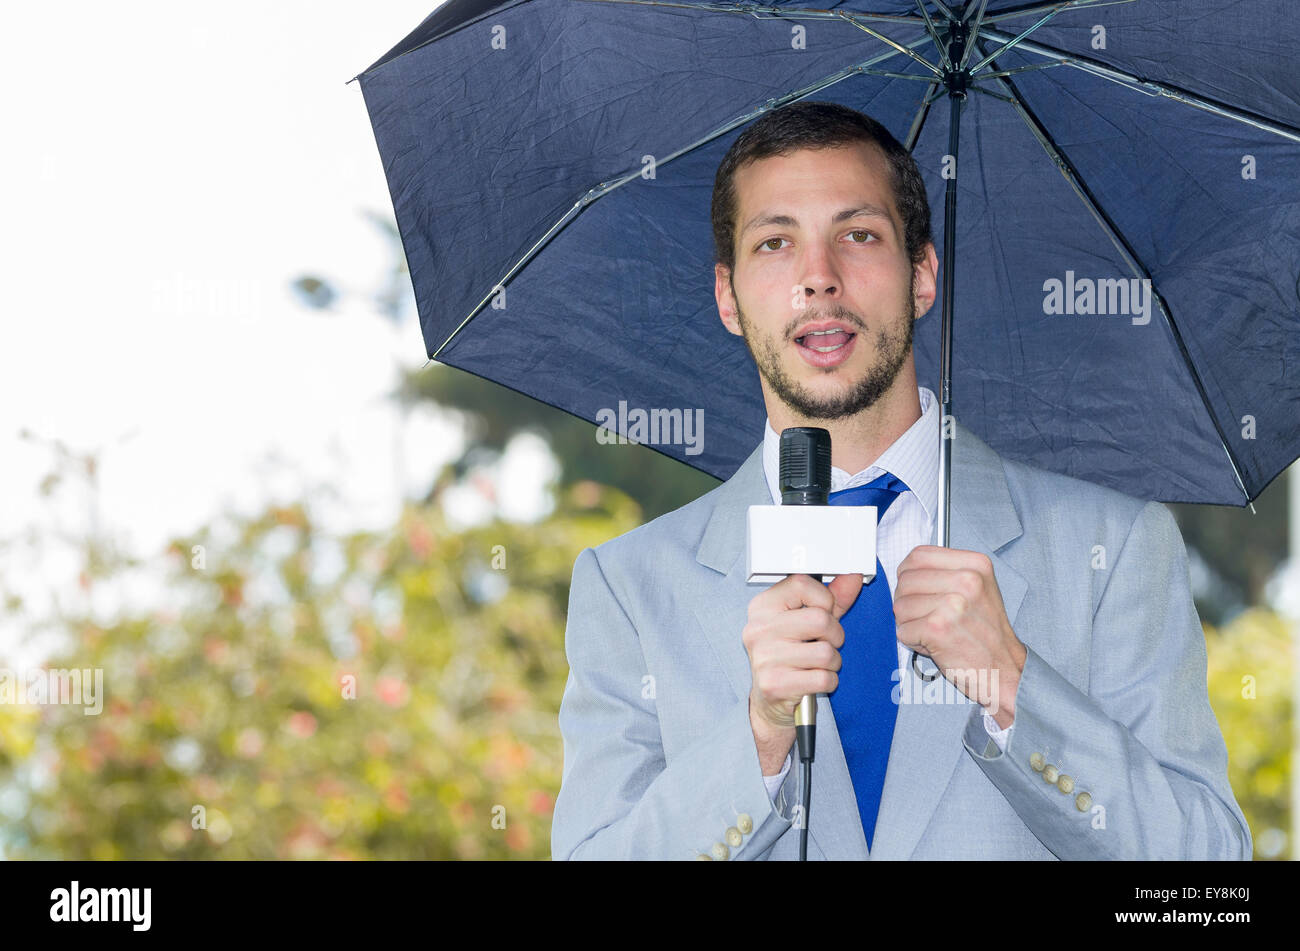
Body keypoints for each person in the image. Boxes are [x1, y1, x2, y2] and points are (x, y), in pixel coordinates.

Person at [550, 100, 1251, 860]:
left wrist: (1016, 686)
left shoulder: (1112, 550)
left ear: (922, 275)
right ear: (728, 296)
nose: (818, 279)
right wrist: (758, 736)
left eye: (858, 235)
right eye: (775, 242)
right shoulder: (628, 588)